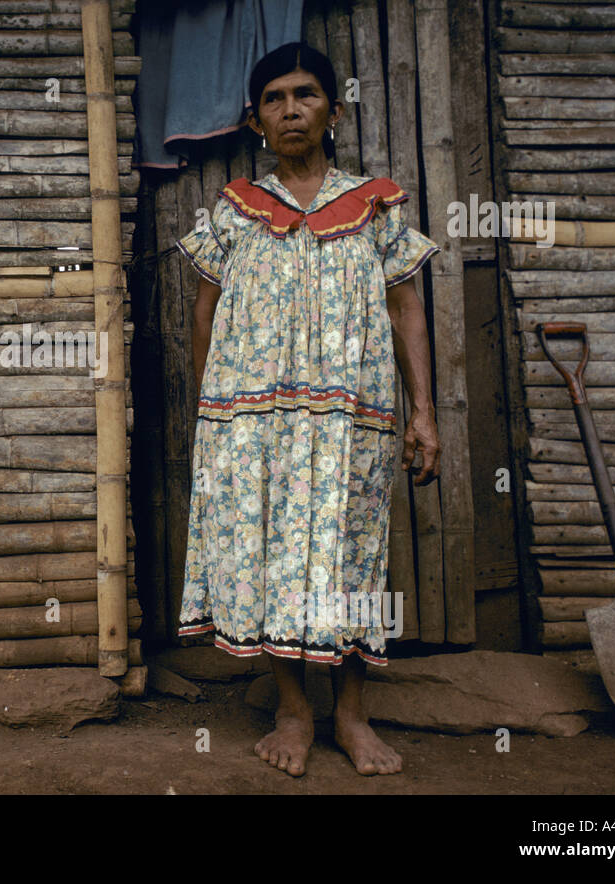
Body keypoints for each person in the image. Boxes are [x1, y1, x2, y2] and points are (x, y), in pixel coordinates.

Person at [176, 41, 441, 777]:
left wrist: (423, 411)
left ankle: (352, 716)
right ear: (256, 119)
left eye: (306, 95)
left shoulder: (374, 205)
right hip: (253, 420)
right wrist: (213, 417)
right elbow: (205, 314)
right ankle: (294, 710)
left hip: (351, 416)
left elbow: (405, 306)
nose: (291, 110)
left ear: (334, 108)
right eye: (275, 99)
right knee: (269, 559)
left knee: (352, 555)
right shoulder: (235, 210)